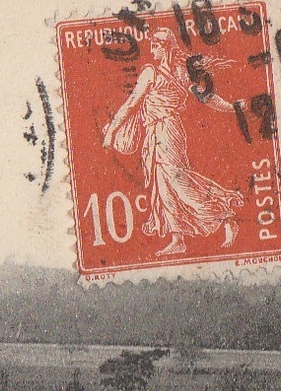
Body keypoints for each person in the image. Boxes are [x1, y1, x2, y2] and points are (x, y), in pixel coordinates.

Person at [101, 28, 244, 255]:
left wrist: (232, 108)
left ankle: (225, 217)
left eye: (156, 45)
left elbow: (207, 98)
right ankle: (178, 239)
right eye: (151, 46)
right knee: (163, 186)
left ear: (167, 45)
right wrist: (112, 132)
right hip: (153, 133)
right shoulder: (152, 72)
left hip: (168, 131)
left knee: (178, 181)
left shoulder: (179, 72)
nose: (152, 50)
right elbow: (131, 104)